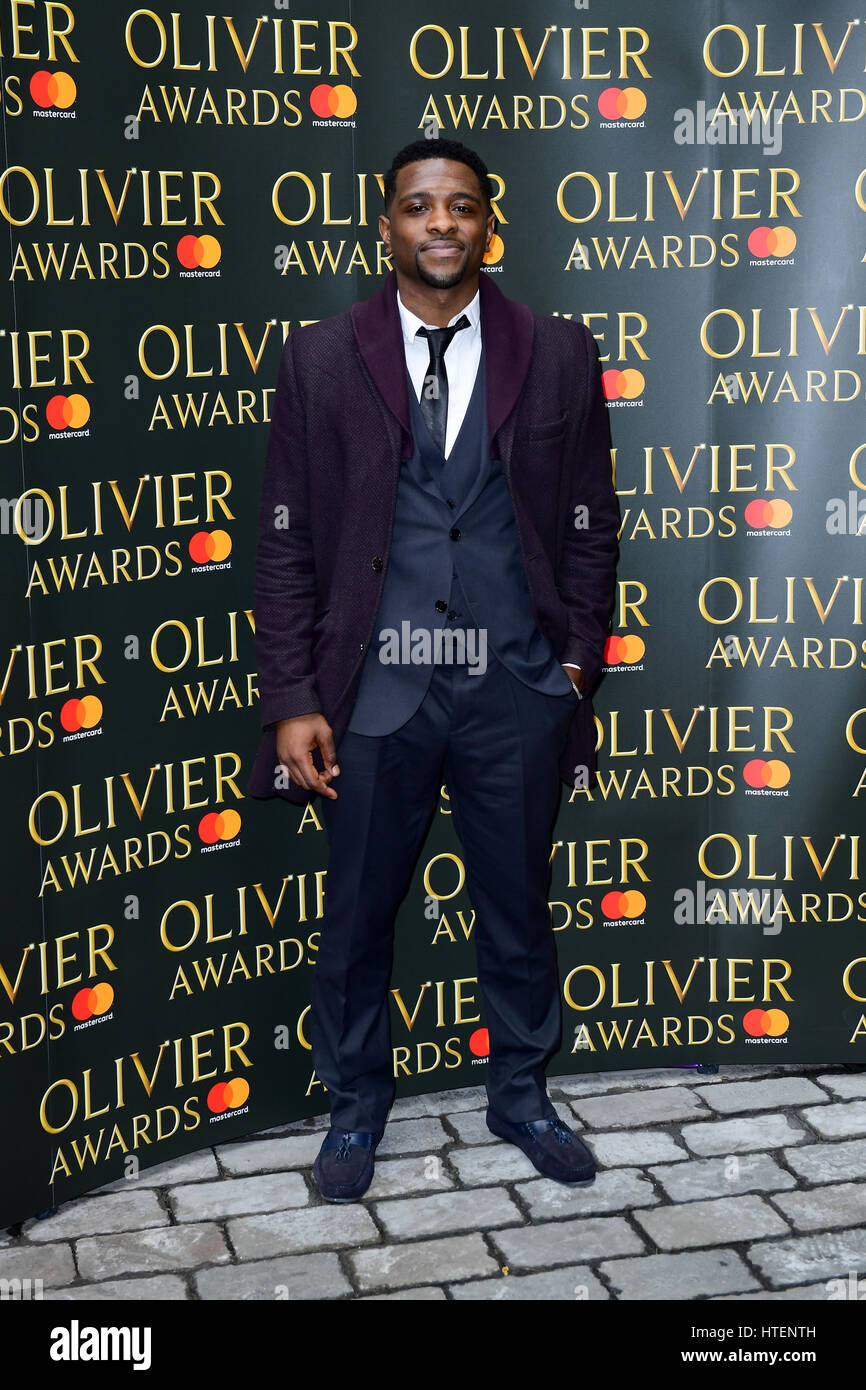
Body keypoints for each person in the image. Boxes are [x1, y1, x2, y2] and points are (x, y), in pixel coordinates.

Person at [249, 137, 620, 1202]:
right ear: (387, 227)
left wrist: (573, 667)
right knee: (358, 913)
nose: (441, 223)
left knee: (515, 905)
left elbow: (592, 527)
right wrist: (293, 700)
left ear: (486, 222)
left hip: (512, 687)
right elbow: (284, 541)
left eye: (460, 205)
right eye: (418, 206)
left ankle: (521, 1095)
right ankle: (355, 1107)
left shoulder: (554, 350)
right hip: (373, 692)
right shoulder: (320, 356)